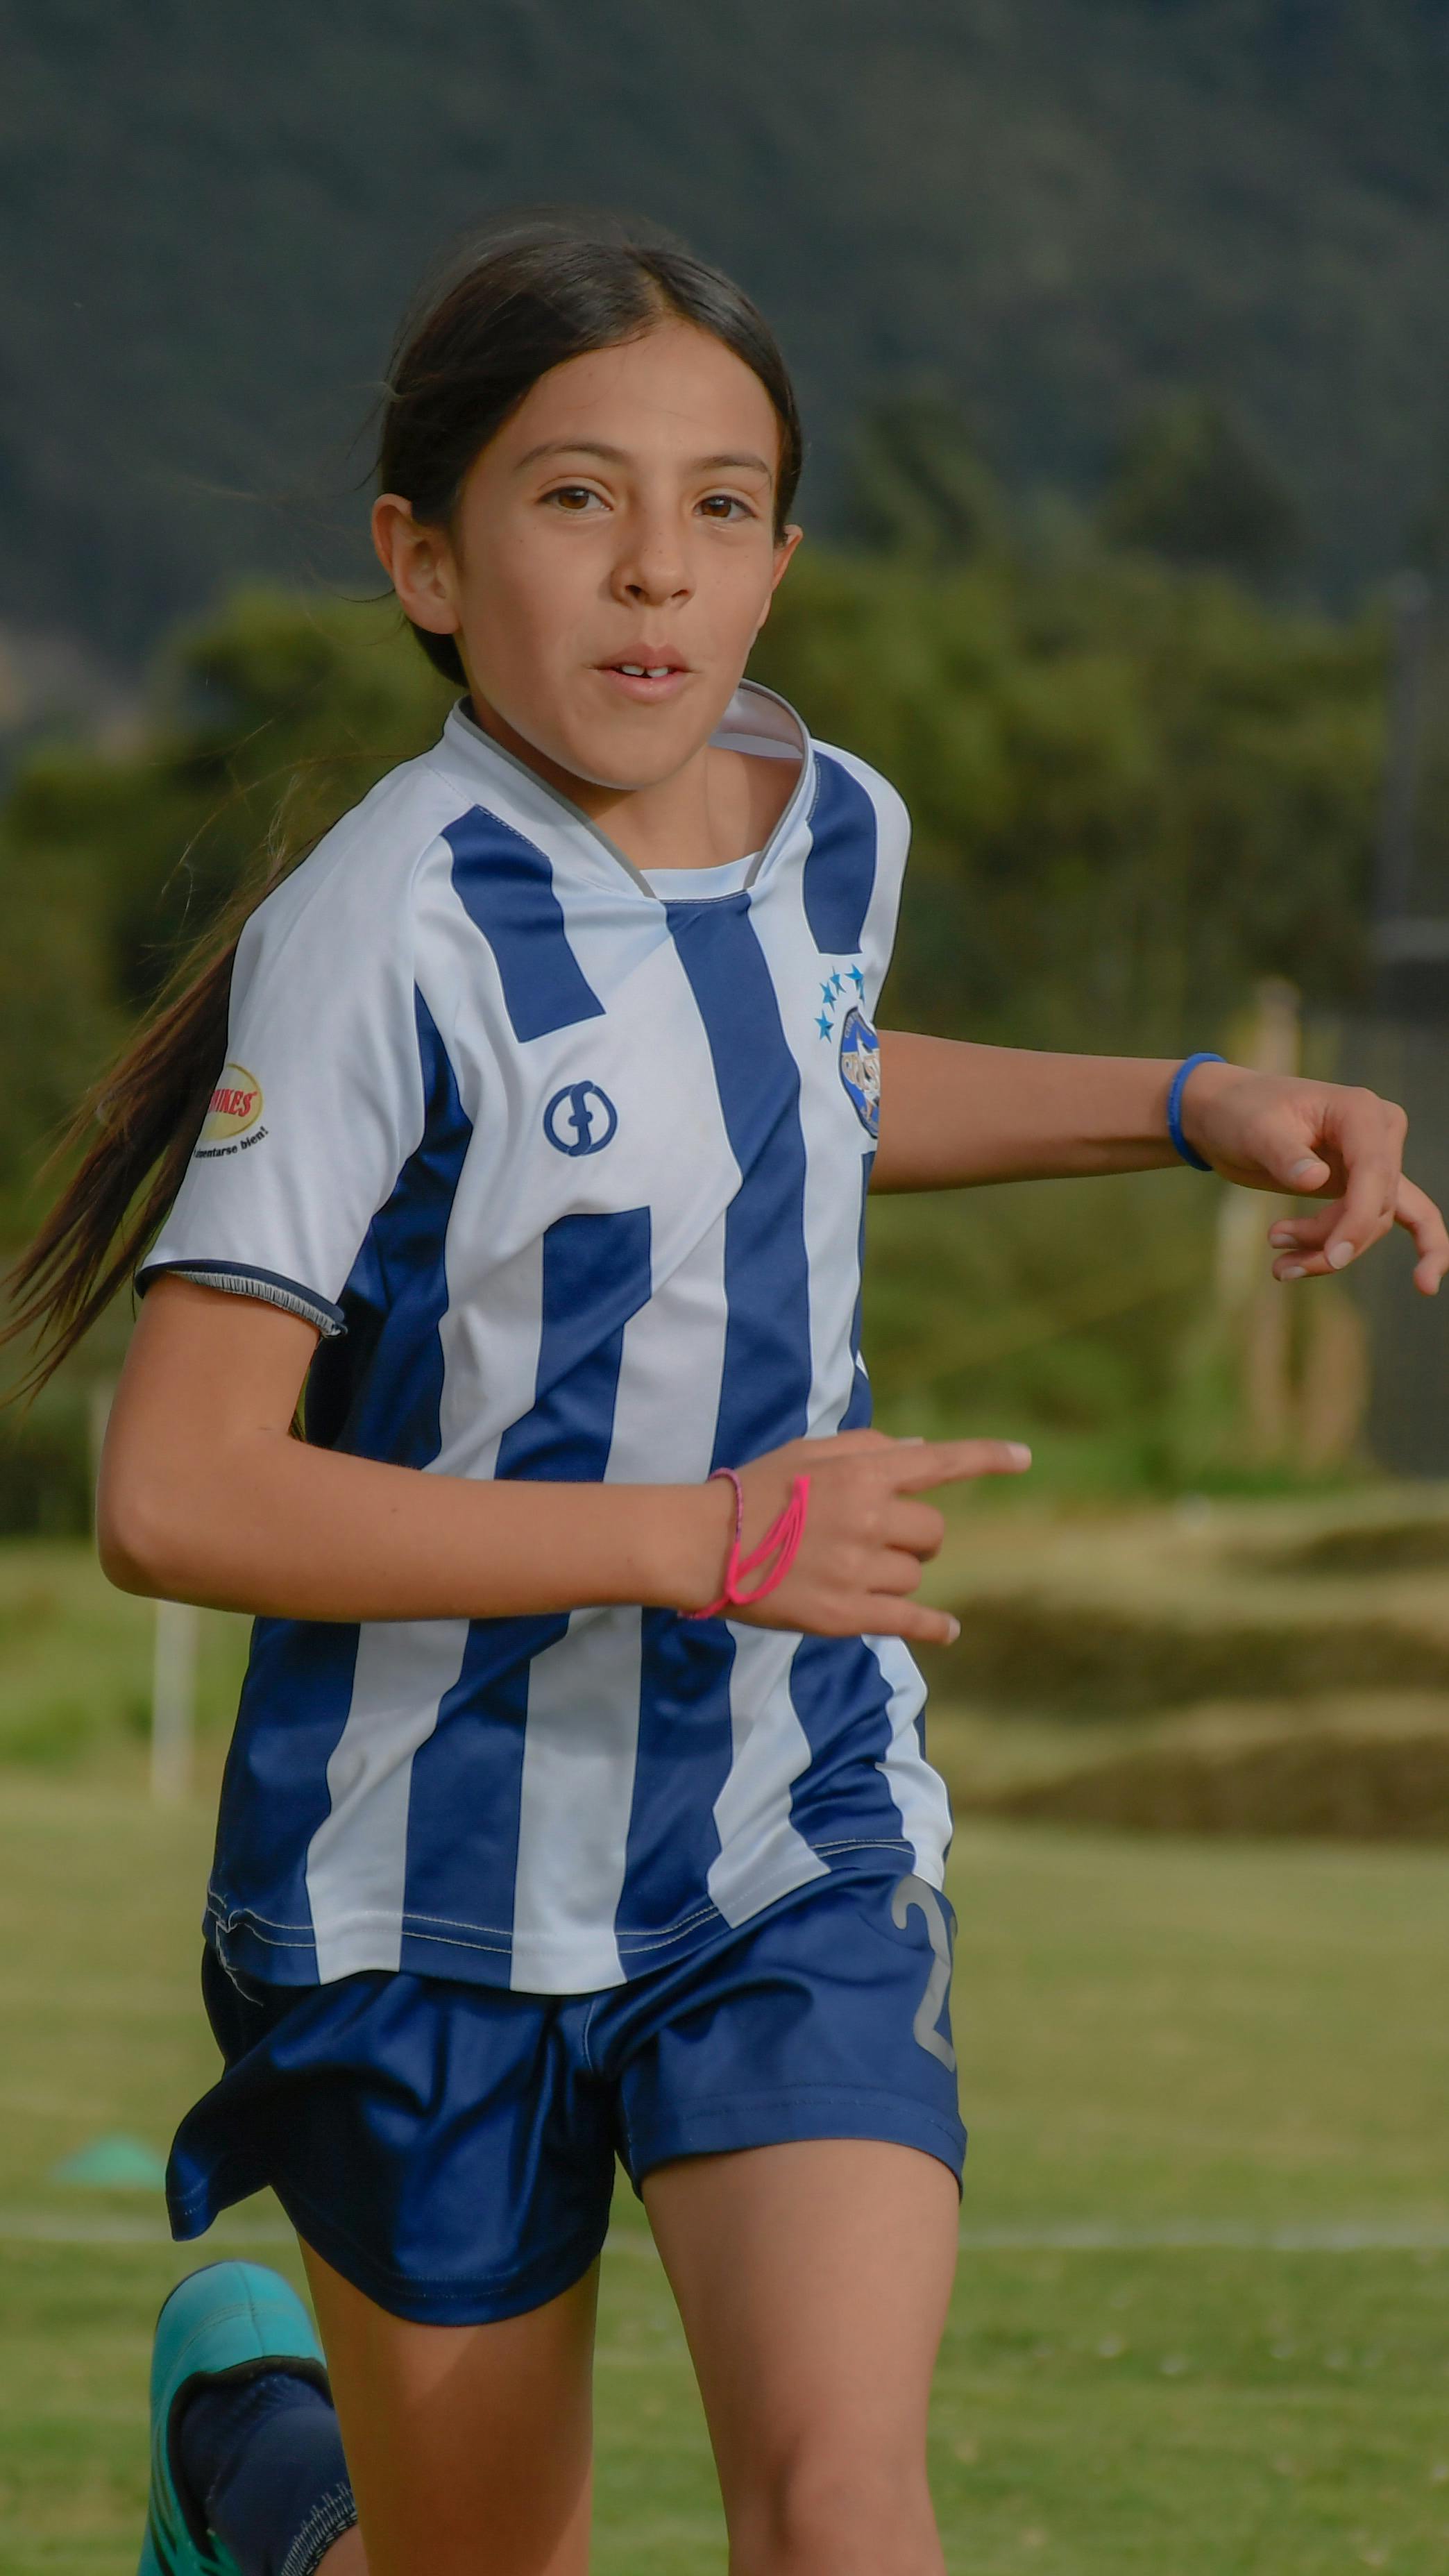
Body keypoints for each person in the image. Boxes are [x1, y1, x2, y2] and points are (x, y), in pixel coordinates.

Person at [11, 214, 1446, 2576]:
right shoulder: (377, 934)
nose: (654, 573)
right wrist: (698, 1539)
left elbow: (803, 1084)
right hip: (419, 1891)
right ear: (425, 559)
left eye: (722, 506)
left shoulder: (835, 825)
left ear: (783, 563)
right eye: (575, 498)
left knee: (849, 2514)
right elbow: (174, 1496)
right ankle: (256, 2486)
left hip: (785, 1826)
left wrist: (1191, 1100)